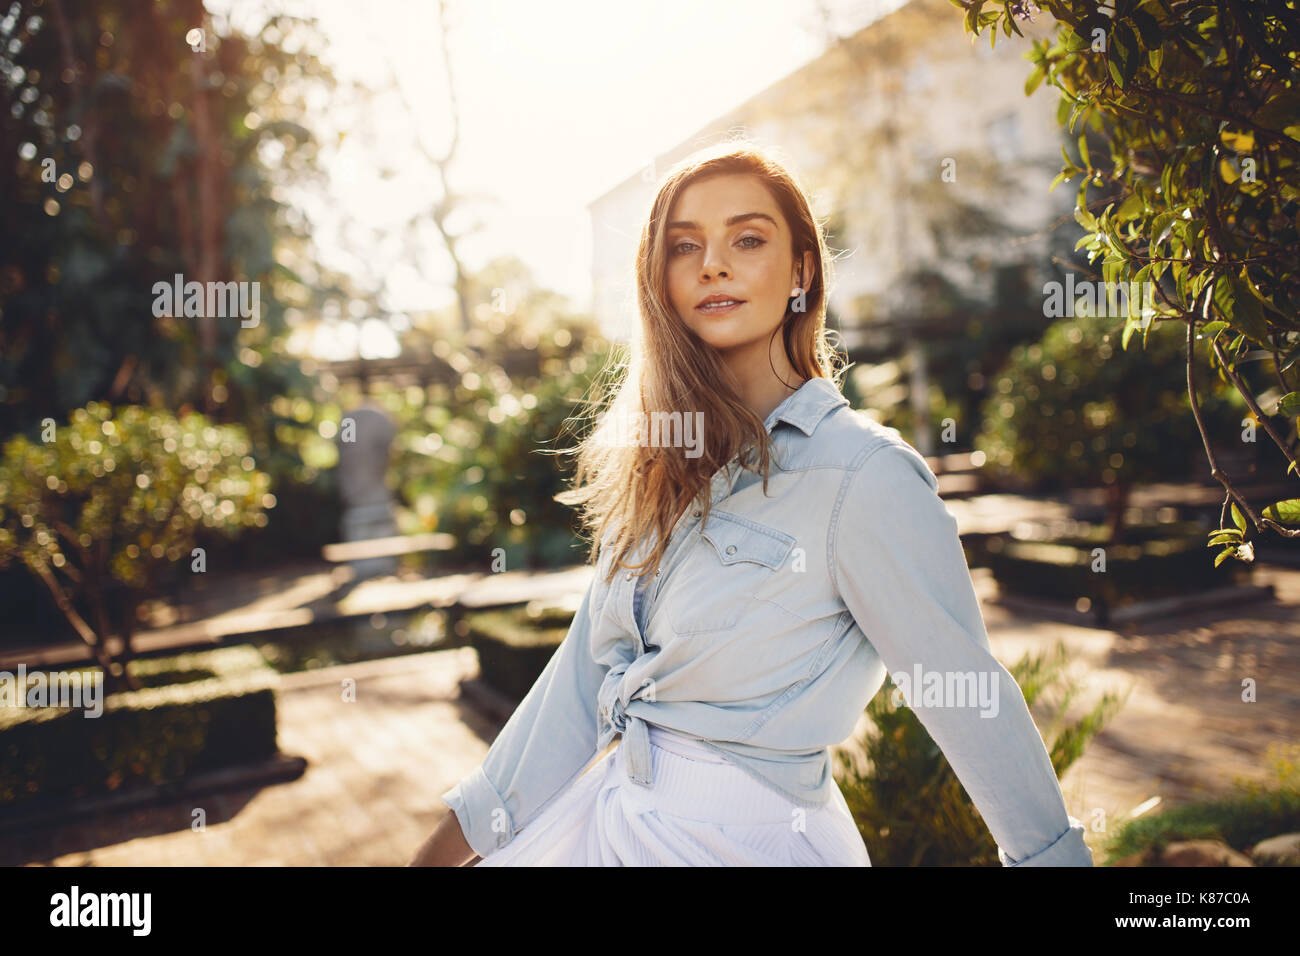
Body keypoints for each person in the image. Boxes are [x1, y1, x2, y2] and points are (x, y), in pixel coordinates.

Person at [409, 140, 1093, 867]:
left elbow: (963, 694)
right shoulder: (657, 471)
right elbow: (574, 693)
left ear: (802, 269)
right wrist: (435, 857)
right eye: (684, 245)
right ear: (660, 278)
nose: (713, 264)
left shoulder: (863, 474)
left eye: (747, 238)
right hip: (609, 828)